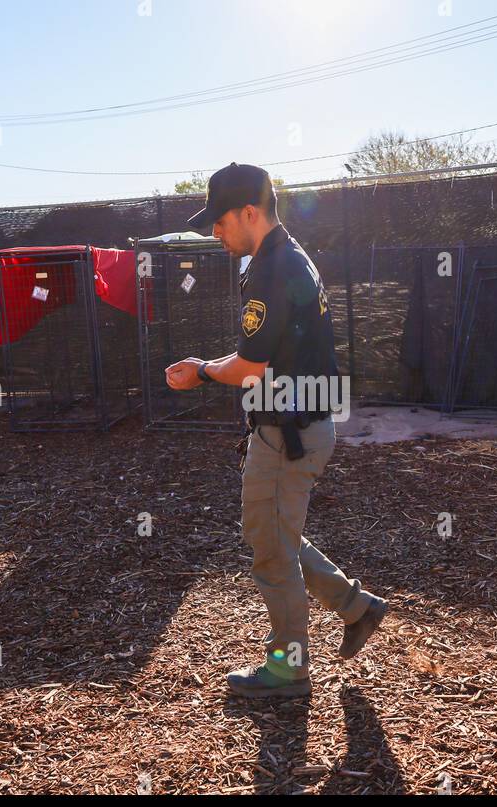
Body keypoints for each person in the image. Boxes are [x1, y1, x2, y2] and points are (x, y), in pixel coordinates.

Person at [165, 163, 388, 699]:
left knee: (270, 549)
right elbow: (256, 355)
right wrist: (208, 362)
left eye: (217, 221)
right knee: (274, 537)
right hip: (299, 421)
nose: (213, 232)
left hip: (289, 429)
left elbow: (251, 369)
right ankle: (356, 607)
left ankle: (290, 667)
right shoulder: (287, 256)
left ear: (248, 212)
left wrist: (200, 372)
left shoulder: (269, 268)